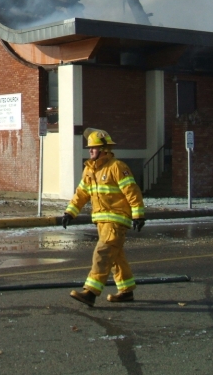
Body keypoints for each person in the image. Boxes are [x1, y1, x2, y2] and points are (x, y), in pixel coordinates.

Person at [62, 128, 146, 307]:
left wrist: (138, 215)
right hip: (102, 222)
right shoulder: (90, 171)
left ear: (104, 149)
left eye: (93, 148)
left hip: (117, 221)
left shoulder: (117, 167)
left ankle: (90, 292)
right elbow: (81, 193)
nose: (90, 150)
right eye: (89, 148)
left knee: (102, 253)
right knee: (115, 257)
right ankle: (126, 291)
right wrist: (70, 212)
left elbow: (132, 192)